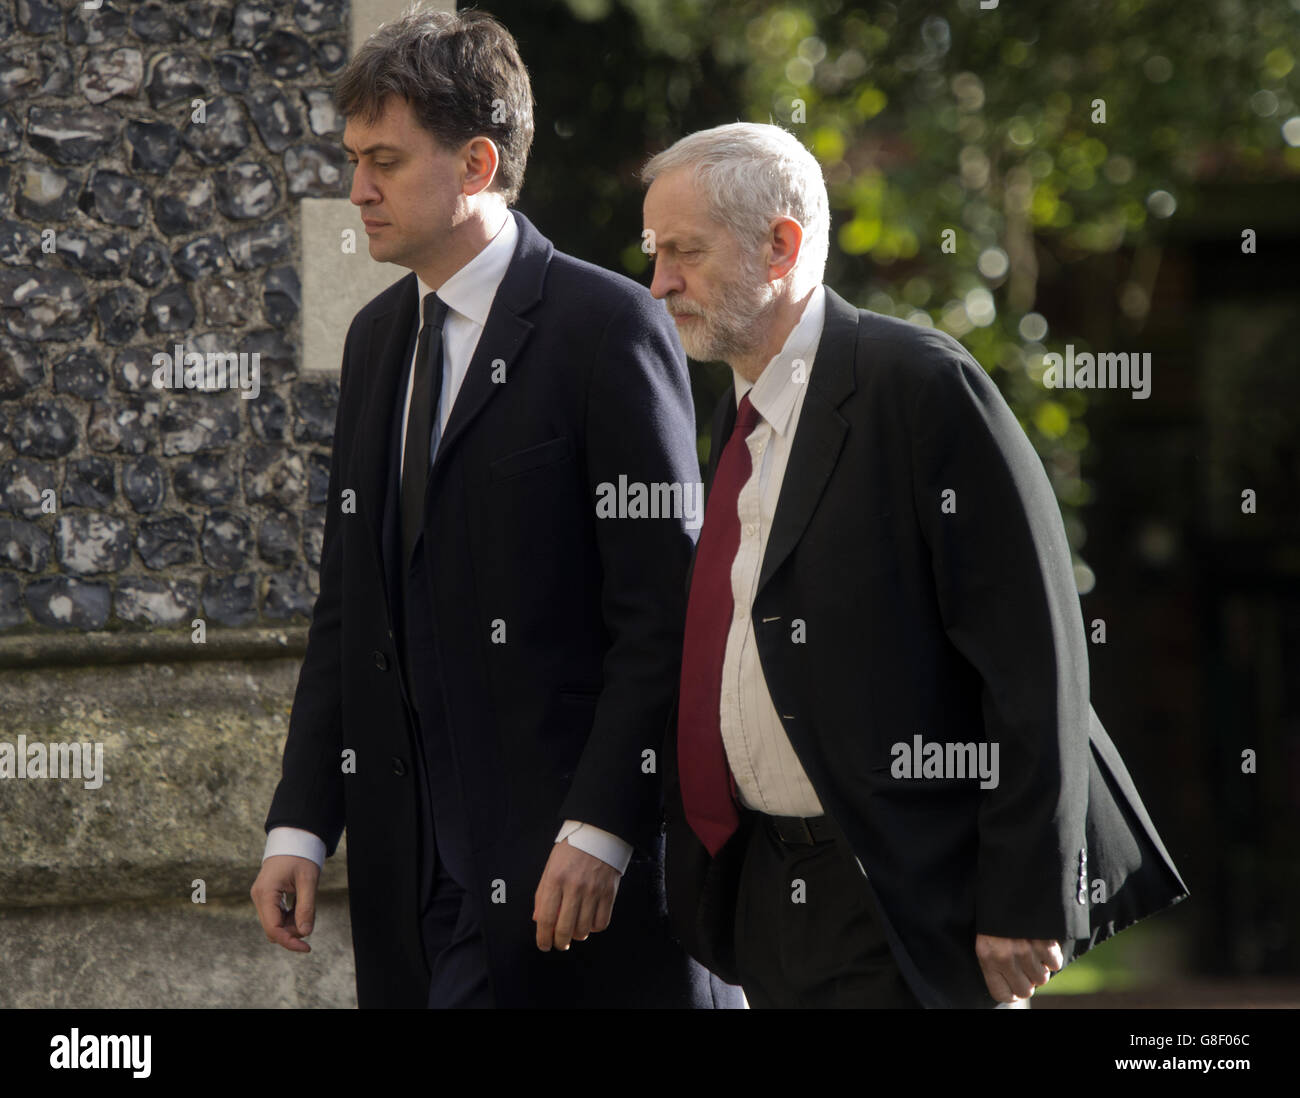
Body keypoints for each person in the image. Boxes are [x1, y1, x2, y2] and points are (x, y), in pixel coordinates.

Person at [250, 8, 739, 1010]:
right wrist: (302, 824)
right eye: (353, 159)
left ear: (476, 165)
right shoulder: (377, 339)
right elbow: (351, 607)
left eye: (384, 160)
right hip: (413, 889)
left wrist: (603, 826)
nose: (358, 191)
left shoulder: (609, 328)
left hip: (573, 889)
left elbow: (668, 615)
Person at [642, 122, 1189, 1009]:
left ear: (781, 247)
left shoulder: (921, 385)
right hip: (772, 896)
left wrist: (1023, 895)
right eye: (656, 251)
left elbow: (1034, 656)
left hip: (902, 896)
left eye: (685, 251)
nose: (660, 280)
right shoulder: (733, 419)